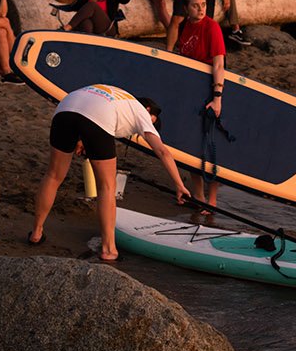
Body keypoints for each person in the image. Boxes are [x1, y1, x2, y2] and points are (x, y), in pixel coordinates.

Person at [29, 84, 189, 260]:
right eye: (152, 123)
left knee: (53, 175)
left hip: (66, 107)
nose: (143, 132)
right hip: (98, 116)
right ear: (149, 109)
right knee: (107, 187)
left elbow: (86, 110)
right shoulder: (142, 112)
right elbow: (162, 151)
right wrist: (179, 185)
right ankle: (109, 249)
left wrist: (81, 139)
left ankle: (36, 232)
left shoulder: (121, 96)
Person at [174, 0, 226, 210]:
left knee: (210, 143)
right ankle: (198, 196)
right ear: (187, 8)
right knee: (190, 144)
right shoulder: (184, 26)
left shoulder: (211, 27)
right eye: (196, 5)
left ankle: (211, 201)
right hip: (189, 90)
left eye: (203, 4)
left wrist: (217, 97)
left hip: (209, 88)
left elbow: (219, 64)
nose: (201, 9)